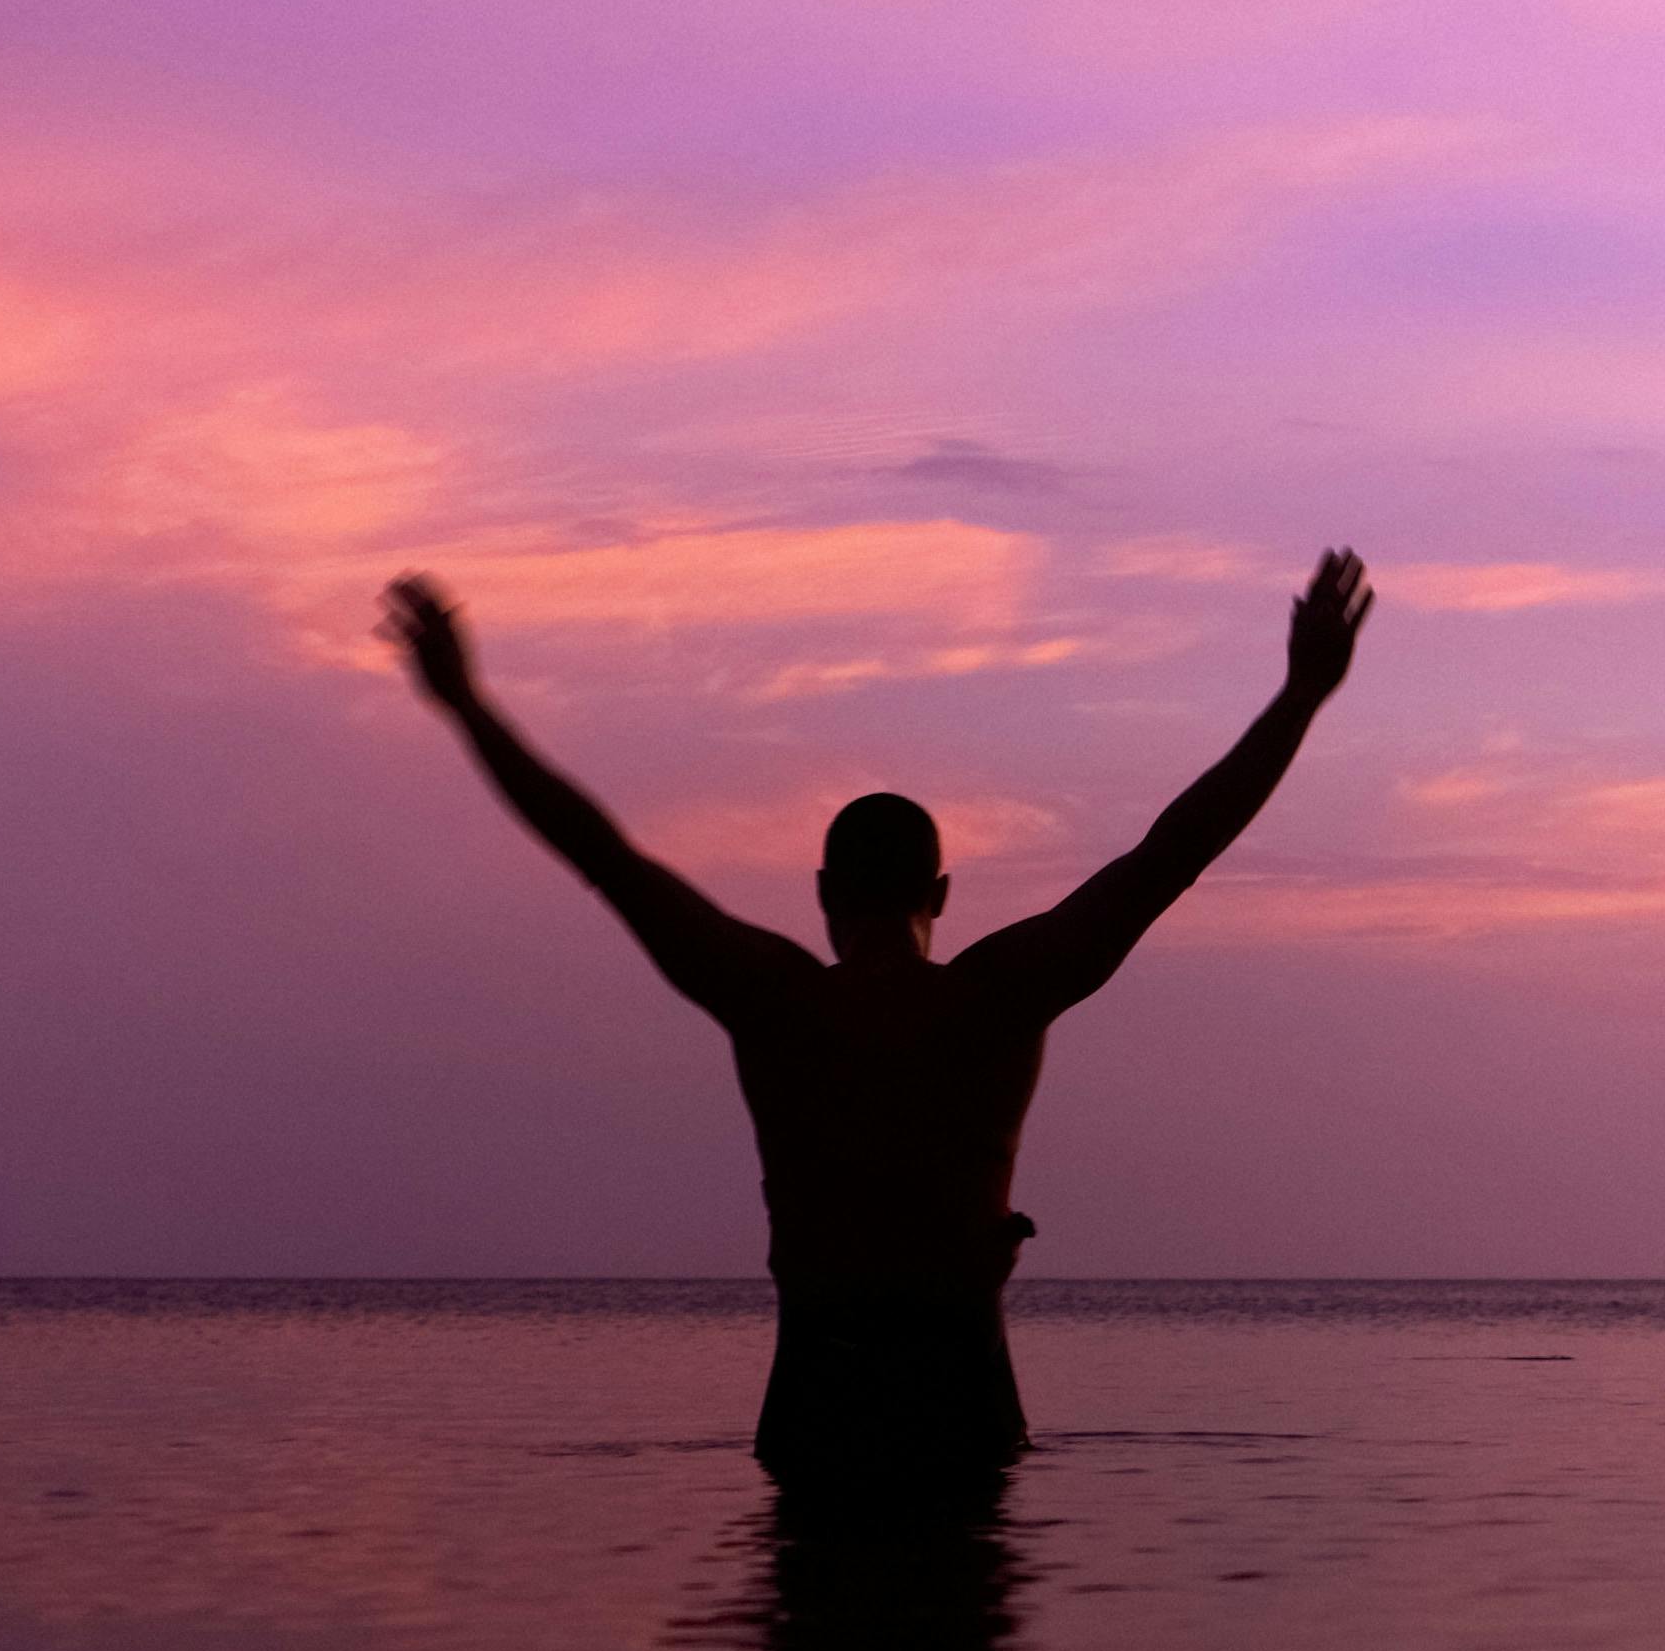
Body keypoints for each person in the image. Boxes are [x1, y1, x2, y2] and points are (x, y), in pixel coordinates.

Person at [384, 549, 1373, 1489]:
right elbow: (1168, 857)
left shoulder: (773, 1000)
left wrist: (467, 705)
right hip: (963, 1414)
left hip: (815, 1416)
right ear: (939, 893)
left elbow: (603, 856)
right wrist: (1300, 695)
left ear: (823, 891)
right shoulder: (997, 998)